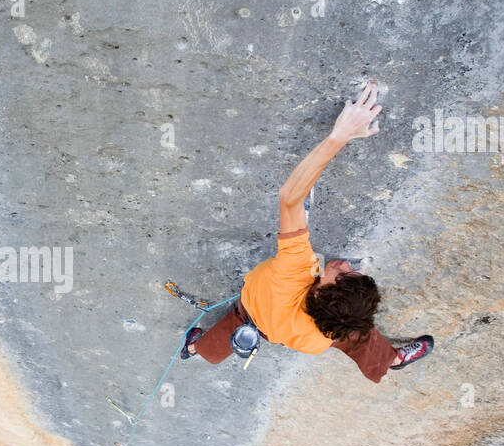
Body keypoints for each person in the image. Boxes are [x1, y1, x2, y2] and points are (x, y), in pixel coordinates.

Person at [181, 82, 433, 382]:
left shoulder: (295, 270)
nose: (346, 264)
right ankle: (391, 360)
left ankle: (193, 348)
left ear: (319, 291)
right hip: (272, 327)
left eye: (342, 274)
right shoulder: (320, 341)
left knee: (209, 348)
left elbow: (289, 197)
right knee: (356, 332)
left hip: (250, 312)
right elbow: (343, 320)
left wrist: (340, 136)